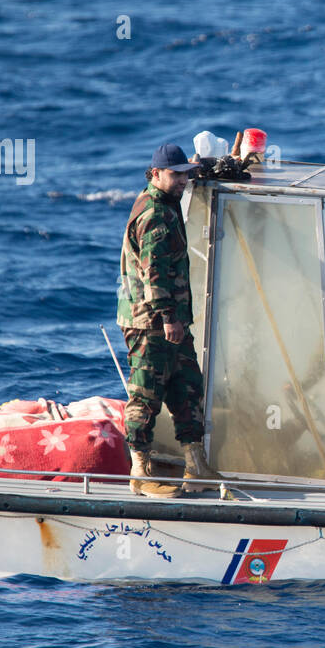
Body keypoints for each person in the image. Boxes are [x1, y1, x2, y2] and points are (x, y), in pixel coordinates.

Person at [116, 143, 211, 497]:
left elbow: (184, 176)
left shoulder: (164, 199)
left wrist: (198, 167)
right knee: (146, 394)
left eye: (185, 174)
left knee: (186, 387)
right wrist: (169, 317)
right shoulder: (155, 214)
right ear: (155, 174)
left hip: (169, 322)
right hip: (151, 322)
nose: (183, 181)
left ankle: (196, 466)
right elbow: (153, 272)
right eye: (176, 175)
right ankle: (140, 471)